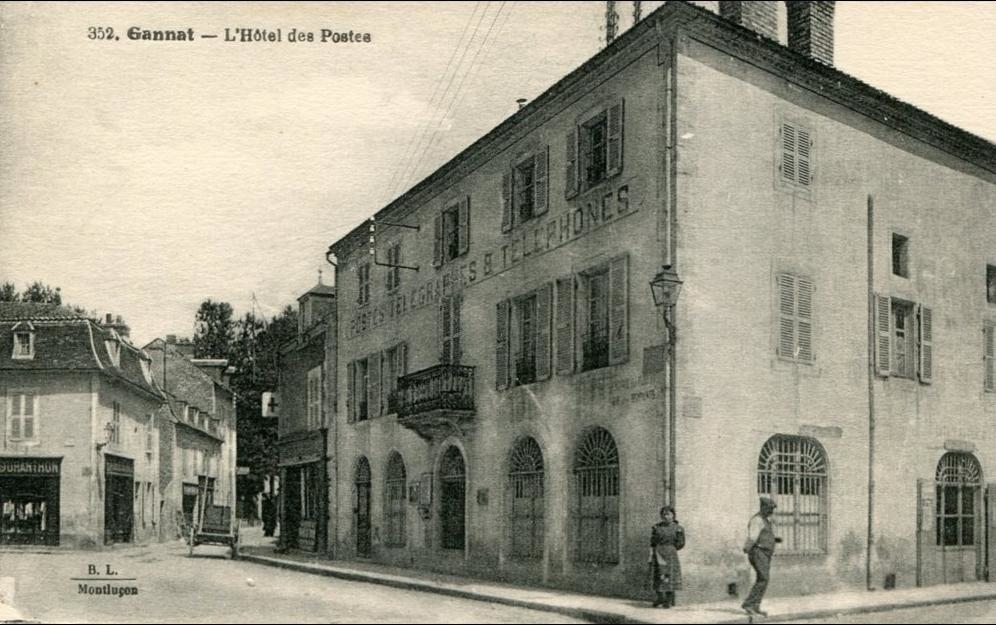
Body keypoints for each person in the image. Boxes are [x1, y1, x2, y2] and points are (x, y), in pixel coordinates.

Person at [742, 496, 782, 617]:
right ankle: (749, 604)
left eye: (772, 509)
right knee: (763, 578)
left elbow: (762, 535)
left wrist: (774, 539)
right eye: (769, 509)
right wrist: (747, 548)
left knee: (763, 579)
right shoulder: (757, 520)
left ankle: (755, 606)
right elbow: (753, 537)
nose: (771, 511)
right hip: (758, 552)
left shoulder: (765, 520)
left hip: (764, 553)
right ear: (763, 507)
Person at [648, 505, 685, 608]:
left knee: (669, 576)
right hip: (658, 553)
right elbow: (652, 541)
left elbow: (681, 543)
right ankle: (660, 598)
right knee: (658, 575)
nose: (665, 516)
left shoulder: (678, 528)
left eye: (668, 514)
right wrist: (653, 552)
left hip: (670, 555)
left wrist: (670, 549)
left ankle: (668, 600)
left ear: (673, 515)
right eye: (663, 514)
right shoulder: (656, 527)